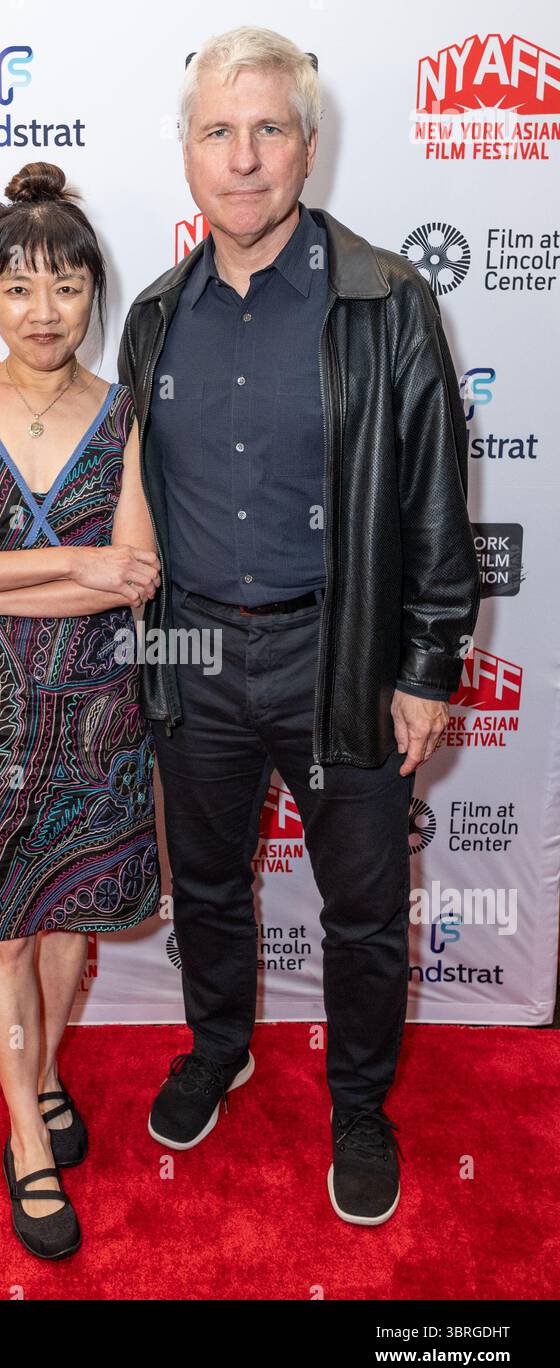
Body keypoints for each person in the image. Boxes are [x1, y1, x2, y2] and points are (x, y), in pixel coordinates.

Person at [117, 27, 480, 1225]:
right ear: (187, 154)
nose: (244, 158)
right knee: (207, 884)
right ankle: (218, 1046)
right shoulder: (155, 315)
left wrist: (426, 664)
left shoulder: (385, 298)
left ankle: (360, 1105)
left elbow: (434, 498)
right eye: (218, 132)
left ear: (307, 149)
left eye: (268, 129)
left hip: (343, 656)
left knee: (364, 911)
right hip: (192, 655)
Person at [0, 161, 162, 1260]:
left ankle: (45, 1072)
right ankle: (27, 1136)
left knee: (66, 922)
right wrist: (73, 564)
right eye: (17, 287)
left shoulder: (126, 414)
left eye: (65, 286)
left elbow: (135, 575)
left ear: (94, 291)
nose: (43, 311)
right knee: (2, 936)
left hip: (97, 712)